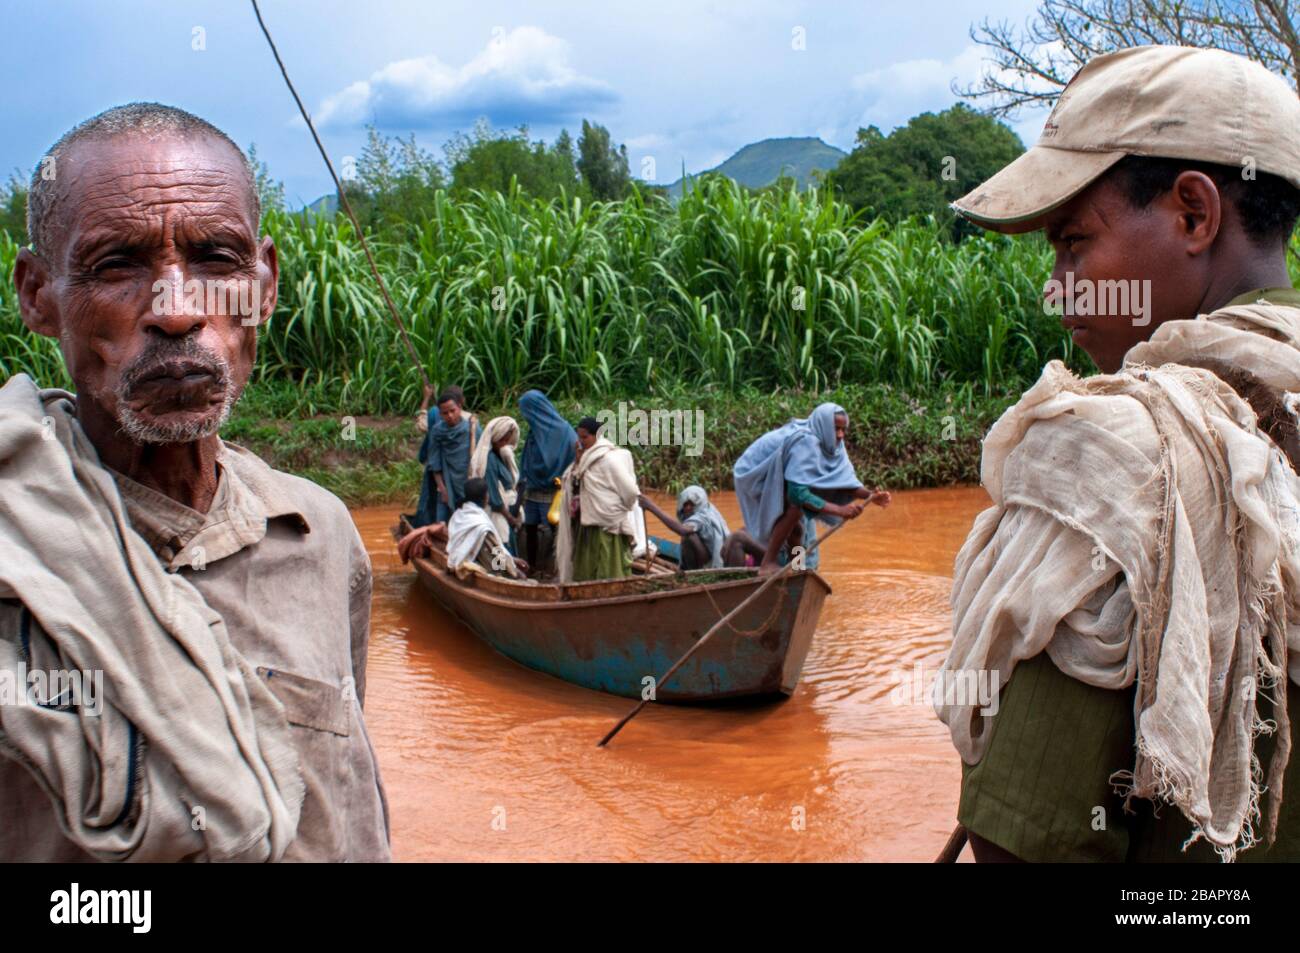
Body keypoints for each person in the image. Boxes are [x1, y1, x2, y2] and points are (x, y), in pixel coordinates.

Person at [937, 45, 1300, 863]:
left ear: (1194, 215)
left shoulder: (1110, 461)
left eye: (1074, 243)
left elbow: (1026, 847)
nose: (1058, 290)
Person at [0, 103, 389, 861]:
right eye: (117, 265)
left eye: (217, 260)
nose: (177, 311)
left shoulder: (322, 534)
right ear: (38, 294)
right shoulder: (13, 536)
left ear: (265, 285)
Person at [733, 403, 890, 575]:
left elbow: (843, 480)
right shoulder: (805, 442)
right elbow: (797, 493)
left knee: (798, 529)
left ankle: (797, 567)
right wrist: (840, 509)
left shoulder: (833, 440)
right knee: (796, 508)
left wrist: (870, 495)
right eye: (836, 429)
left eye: (843, 429)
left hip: (786, 472)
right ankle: (768, 563)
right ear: (825, 426)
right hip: (755, 472)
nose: (840, 434)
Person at [555, 417, 642, 582]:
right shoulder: (585, 456)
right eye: (578, 437)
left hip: (607, 521)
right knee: (588, 563)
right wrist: (578, 458)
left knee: (608, 562)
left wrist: (620, 509)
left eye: (585, 437)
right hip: (588, 521)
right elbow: (576, 481)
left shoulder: (608, 459)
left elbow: (630, 491)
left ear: (597, 436)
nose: (580, 441)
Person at [516, 389, 577, 571]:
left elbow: (574, 458)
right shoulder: (534, 432)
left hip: (555, 491)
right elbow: (527, 460)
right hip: (533, 491)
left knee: (556, 530)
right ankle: (532, 566)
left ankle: (556, 567)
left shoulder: (564, 431)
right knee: (531, 527)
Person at [414, 384, 481, 526]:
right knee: (443, 520)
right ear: (440, 413)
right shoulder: (438, 431)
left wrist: (426, 397)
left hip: (468, 482)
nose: (450, 416)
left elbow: (479, 457)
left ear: (460, 406)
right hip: (446, 482)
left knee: (469, 520)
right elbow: (435, 462)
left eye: (453, 411)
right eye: (445, 413)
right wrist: (443, 489)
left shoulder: (472, 427)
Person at [445, 478, 527, 579]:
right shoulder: (481, 525)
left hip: (456, 558)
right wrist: (514, 571)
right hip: (479, 565)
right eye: (487, 493)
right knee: (520, 577)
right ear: (484, 498)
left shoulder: (459, 514)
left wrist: (513, 559)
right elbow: (496, 555)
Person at [638, 486, 730, 570]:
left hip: (711, 563)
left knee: (688, 536)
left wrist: (651, 506)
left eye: (691, 504)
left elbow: (682, 530)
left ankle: (690, 572)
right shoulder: (709, 508)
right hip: (713, 555)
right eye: (685, 505)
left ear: (699, 503)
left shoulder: (701, 516)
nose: (688, 508)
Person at [469, 416, 521, 555]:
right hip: (496, 514)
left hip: (504, 512)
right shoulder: (490, 460)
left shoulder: (502, 456)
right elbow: (494, 497)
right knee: (499, 545)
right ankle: (501, 573)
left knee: (504, 546)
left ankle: (507, 571)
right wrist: (511, 518)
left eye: (507, 440)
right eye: (501, 440)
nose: (504, 444)